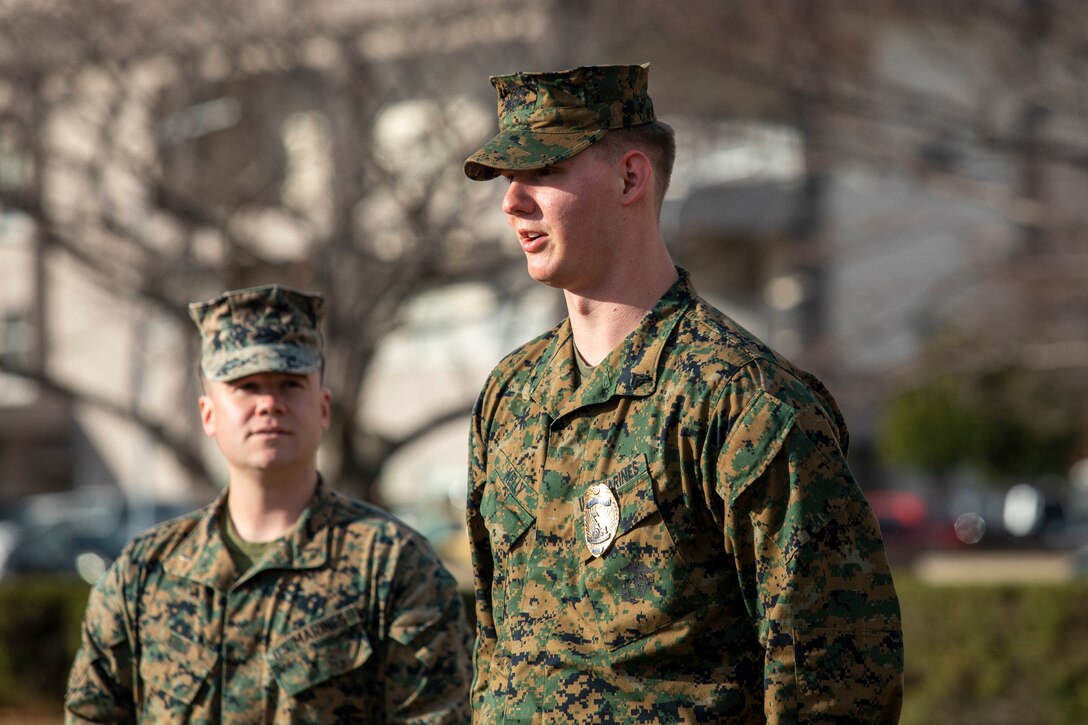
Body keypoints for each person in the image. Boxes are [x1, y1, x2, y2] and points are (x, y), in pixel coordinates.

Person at [463, 64, 904, 722]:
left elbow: (833, 682)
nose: (512, 201)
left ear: (630, 177)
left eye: (544, 172)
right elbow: (494, 650)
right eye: (508, 179)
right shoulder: (510, 395)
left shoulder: (742, 402)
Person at [65, 285, 473, 724]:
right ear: (207, 414)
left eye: (289, 384)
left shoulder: (393, 566)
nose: (268, 404)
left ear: (322, 408)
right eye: (246, 386)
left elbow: (437, 715)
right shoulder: (144, 572)